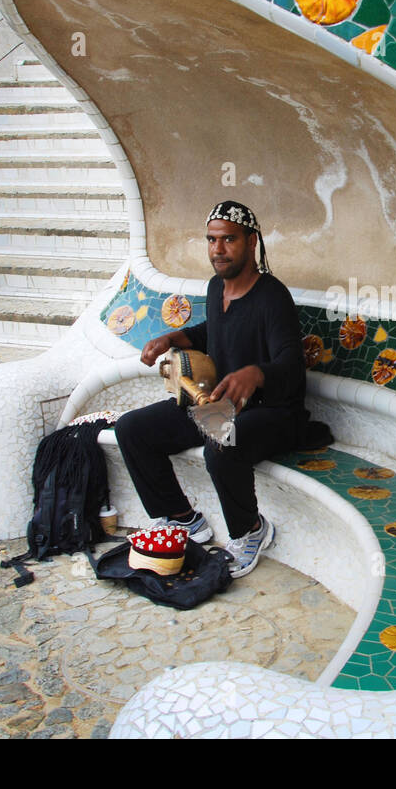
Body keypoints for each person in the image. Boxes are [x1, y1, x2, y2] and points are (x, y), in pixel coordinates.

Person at [114, 201, 308, 577]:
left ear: (252, 242)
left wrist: (255, 373)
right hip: (220, 404)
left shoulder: (272, 296)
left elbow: (291, 363)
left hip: (273, 413)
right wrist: (175, 336)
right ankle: (183, 519)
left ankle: (251, 531)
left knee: (221, 443)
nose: (218, 250)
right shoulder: (217, 287)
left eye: (229, 240)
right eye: (212, 240)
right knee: (132, 429)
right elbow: (214, 332)